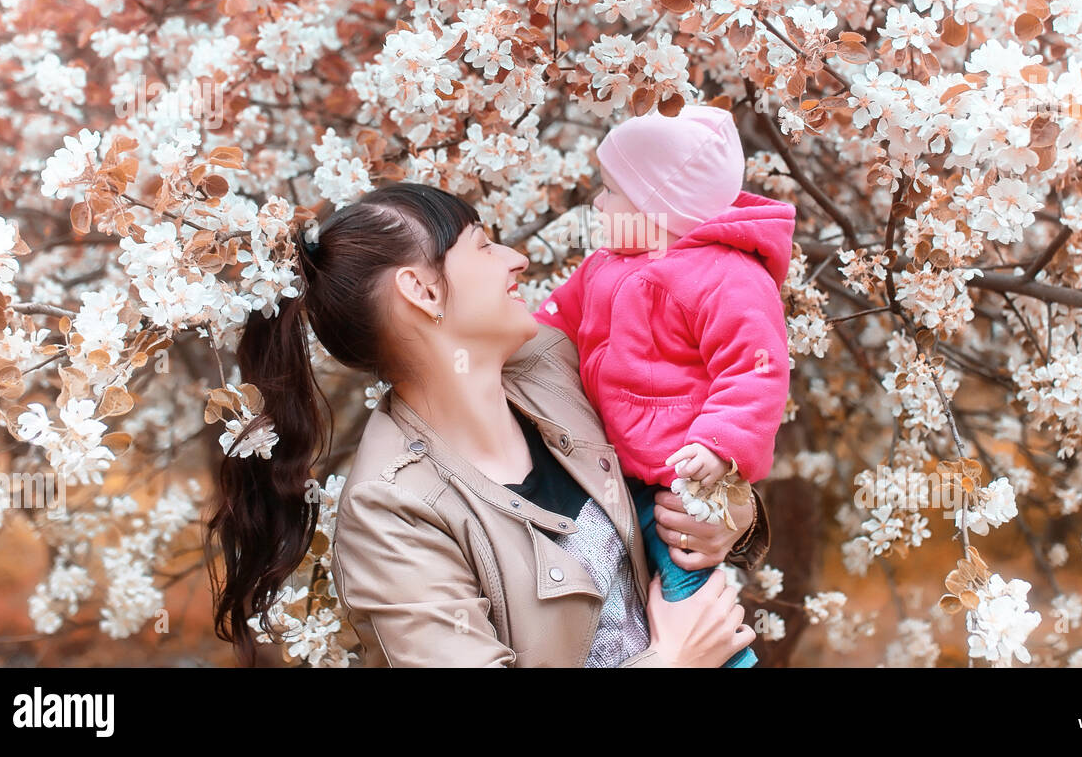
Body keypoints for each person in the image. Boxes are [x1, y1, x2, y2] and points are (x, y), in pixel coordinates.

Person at [206, 181, 769, 667]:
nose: (515, 258)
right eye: (483, 245)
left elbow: (672, 455)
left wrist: (726, 512)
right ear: (422, 291)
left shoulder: (557, 365)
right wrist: (673, 662)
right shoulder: (392, 510)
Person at [533, 103, 795, 667]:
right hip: (613, 471)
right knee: (630, 584)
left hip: (681, 478)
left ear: (659, 206)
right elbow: (554, 325)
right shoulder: (605, 265)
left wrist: (719, 447)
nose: (597, 204)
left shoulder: (725, 276)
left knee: (685, 588)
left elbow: (755, 369)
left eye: (610, 190)